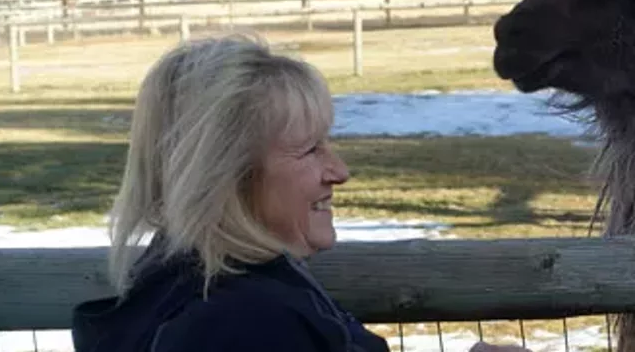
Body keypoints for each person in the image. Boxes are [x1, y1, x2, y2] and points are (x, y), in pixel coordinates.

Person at [71, 33, 530, 352]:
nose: (340, 171)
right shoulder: (239, 325)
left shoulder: (191, 287)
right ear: (225, 175)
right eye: (310, 150)